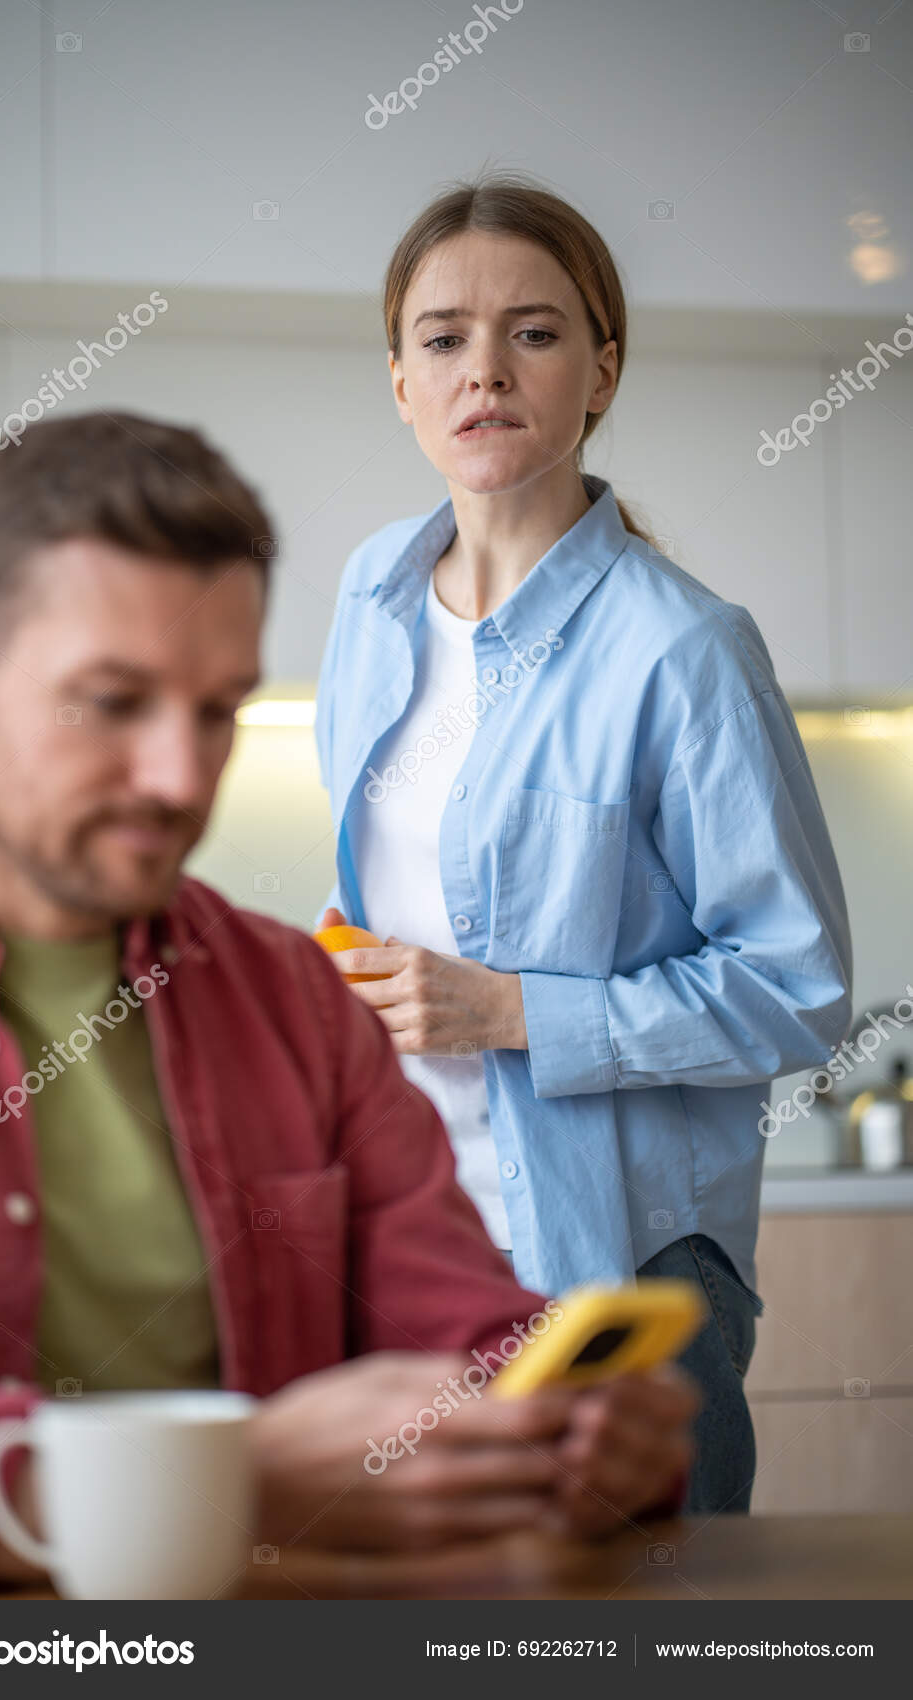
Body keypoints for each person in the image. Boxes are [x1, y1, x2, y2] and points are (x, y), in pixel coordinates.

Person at [0, 410, 696, 1601]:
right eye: (112, 700)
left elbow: (459, 1333)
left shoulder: (292, 996)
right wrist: (220, 1477)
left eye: (216, 709)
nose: (180, 778)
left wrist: (563, 1425)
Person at [313, 172, 853, 1515]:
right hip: (407, 1249)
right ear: (397, 381)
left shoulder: (682, 649)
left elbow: (796, 991)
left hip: (610, 1273)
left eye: (533, 333)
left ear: (599, 370)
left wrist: (507, 1010)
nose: (481, 370)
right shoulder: (368, 595)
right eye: (442, 337)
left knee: (628, 1641)